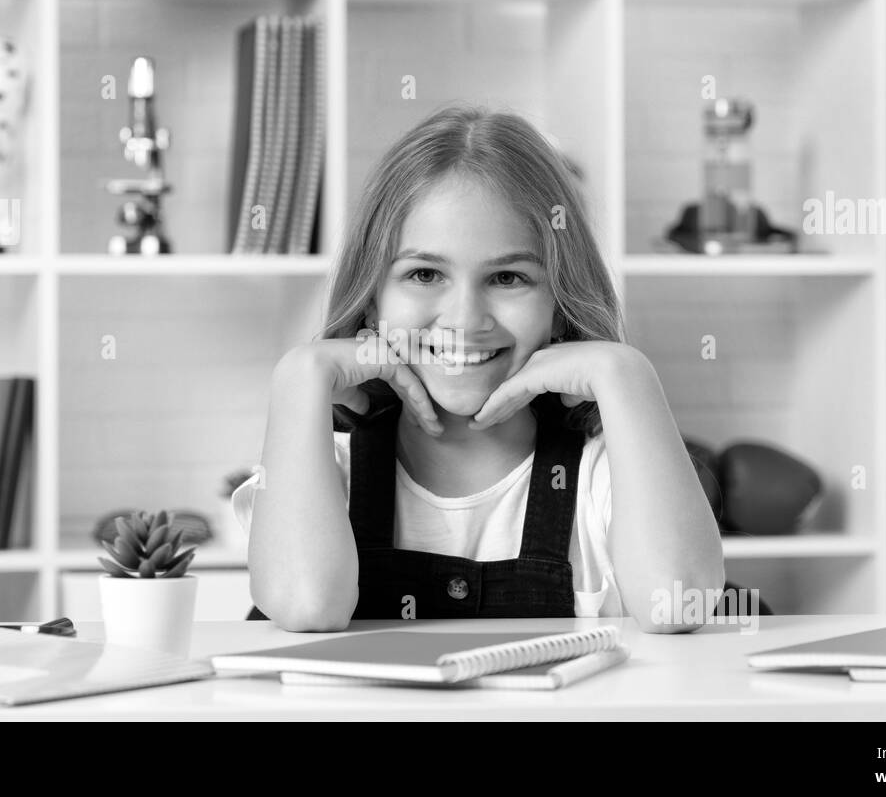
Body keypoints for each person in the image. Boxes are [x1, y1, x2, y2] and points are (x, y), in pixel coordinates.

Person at [234, 105, 724, 632]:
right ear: (373, 301)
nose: (465, 319)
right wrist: (299, 376)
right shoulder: (322, 472)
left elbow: (678, 604)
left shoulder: (602, 478)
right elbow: (306, 606)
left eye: (508, 278)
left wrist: (627, 374)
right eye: (424, 274)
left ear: (559, 305)